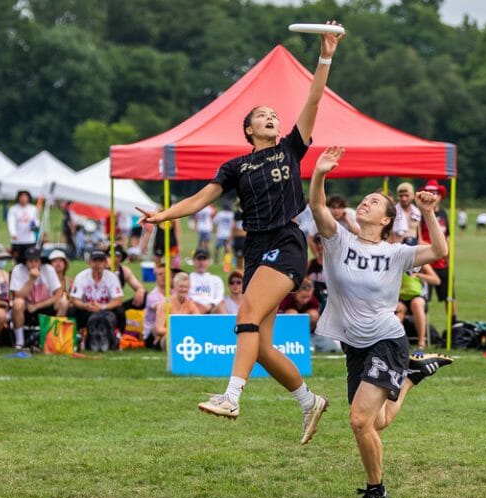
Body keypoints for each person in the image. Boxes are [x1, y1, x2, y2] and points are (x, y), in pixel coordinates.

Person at [137, 25, 342, 439]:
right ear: (248, 130)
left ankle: (230, 397)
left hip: (286, 243)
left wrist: (326, 55)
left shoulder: (290, 147)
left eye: (274, 116)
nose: (272, 118)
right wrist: (163, 216)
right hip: (256, 248)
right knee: (262, 347)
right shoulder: (236, 167)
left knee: (245, 314)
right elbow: (199, 200)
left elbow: (314, 97)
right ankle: (309, 402)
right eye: (263, 116)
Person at [308, 145, 453, 498]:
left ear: (387, 220)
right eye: (365, 199)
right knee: (378, 420)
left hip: (387, 340)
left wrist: (428, 212)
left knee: (359, 421)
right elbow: (317, 207)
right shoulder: (338, 241)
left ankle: (376, 489)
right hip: (354, 346)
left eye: (374, 202)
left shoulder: (396, 253)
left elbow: (439, 251)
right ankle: (410, 377)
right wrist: (320, 173)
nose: (365, 203)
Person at [69, 250, 124, 350]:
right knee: (72, 310)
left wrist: (102, 307)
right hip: (87, 309)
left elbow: (118, 300)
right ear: (89, 262)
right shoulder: (81, 277)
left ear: (105, 263)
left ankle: (118, 337)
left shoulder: (112, 277)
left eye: (100, 261)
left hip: (106, 310)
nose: (97, 264)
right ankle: (75, 337)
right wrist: (85, 306)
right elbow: (74, 299)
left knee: (120, 310)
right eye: (95, 261)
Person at [9, 247, 62, 350]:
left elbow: (58, 293)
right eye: (30, 261)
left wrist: (37, 306)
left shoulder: (48, 269)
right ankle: (20, 342)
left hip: (45, 304)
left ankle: (53, 336)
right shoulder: (18, 269)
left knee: (63, 303)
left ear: (40, 261)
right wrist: (31, 280)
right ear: (25, 262)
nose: (34, 264)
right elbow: (18, 295)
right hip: (26, 306)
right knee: (17, 303)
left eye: (36, 261)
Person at [419, 179, 456, 323]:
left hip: (442, 263)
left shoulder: (444, 214)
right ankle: (424, 330)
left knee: (449, 296)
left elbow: (447, 237)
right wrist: (434, 248)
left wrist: (449, 256)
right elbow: (419, 238)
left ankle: (453, 324)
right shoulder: (421, 214)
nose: (432, 195)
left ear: (439, 196)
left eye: (435, 193)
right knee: (424, 299)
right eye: (429, 192)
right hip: (427, 263)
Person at [396, 262, 439, 349]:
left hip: (418, 297)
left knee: (416, 304)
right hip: (401, 298)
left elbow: (436, 280)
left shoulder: (423, 264)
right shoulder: (398, 262)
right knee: (398, 311)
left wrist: (419, 275)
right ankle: (398, 341)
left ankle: (421, 341)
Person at [151, 271, 198, 349]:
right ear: (175, 287)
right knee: (170, 338)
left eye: (186, 287)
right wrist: (178, 331)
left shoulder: (190, 303)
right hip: (164, 338)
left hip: (185, 336)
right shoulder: (165, 304)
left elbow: (199, 321)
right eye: (181, 286)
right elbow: (158, 329)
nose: (184, 289)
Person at [187, 248, 225, 314]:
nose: (201, 262)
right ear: (193, 261)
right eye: (199, 259)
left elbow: (219, 297)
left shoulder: (216, 279)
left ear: (209, 261)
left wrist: (211, 305)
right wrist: (199, 306)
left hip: (211, 308)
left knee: (222, 305)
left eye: (204, 259)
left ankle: (226, 324)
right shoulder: (188, 278)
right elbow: (186, 296)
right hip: (193, 307)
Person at [7, 190, 39, 260]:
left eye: (25, 196)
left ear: (28, 198)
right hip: (17, 240)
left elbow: (36, 220)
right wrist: (13, 233)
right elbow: (11, 222)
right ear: (18, 198)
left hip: (30, 240)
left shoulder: (33, 209)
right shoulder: (13, 209)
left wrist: (35, 227)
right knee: (18, 259)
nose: (23, 198)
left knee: (29, 259)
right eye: (21, 196)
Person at [47, 249, 72, 316]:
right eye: (54, 261)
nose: (58, 263)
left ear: (65, 264)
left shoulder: (69, 281)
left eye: (60, 261)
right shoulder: (46, 281)